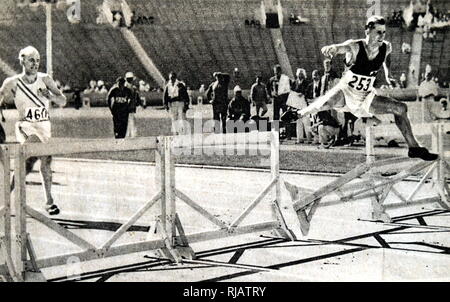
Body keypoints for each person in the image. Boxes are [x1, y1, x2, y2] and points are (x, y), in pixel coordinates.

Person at [298, 15, 438, 161]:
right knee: (326, 103)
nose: (382, 36)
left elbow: (387, 57)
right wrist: (332, 48)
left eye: (384, 32)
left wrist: (387, 72)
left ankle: (414, 148)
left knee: (401, 108)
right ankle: (299, 113)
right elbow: (342, 47)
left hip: (366, 97)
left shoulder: (386, 47)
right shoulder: (356, 46)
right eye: (378, 32)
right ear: (367, 31)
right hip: (347, 93)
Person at [0, 46, 67, 215]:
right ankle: (49, 201)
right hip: (26, 126)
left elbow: (63, 101)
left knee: (32, 165)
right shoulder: (13, 82)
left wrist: (50, 96)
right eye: (31, 60)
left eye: (37, 60)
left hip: (44, 126)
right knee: (39, 153)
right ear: (22, 60)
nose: (35, 64)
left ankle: (7, 198)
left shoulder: (45, 79)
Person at [125, 71, 140, 137]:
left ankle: (128, 135)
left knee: (128, 121)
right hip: (129, 107)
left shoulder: (129, 86)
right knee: (131, 121)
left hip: (129, 106)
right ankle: (132, 135)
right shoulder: (130, 87)